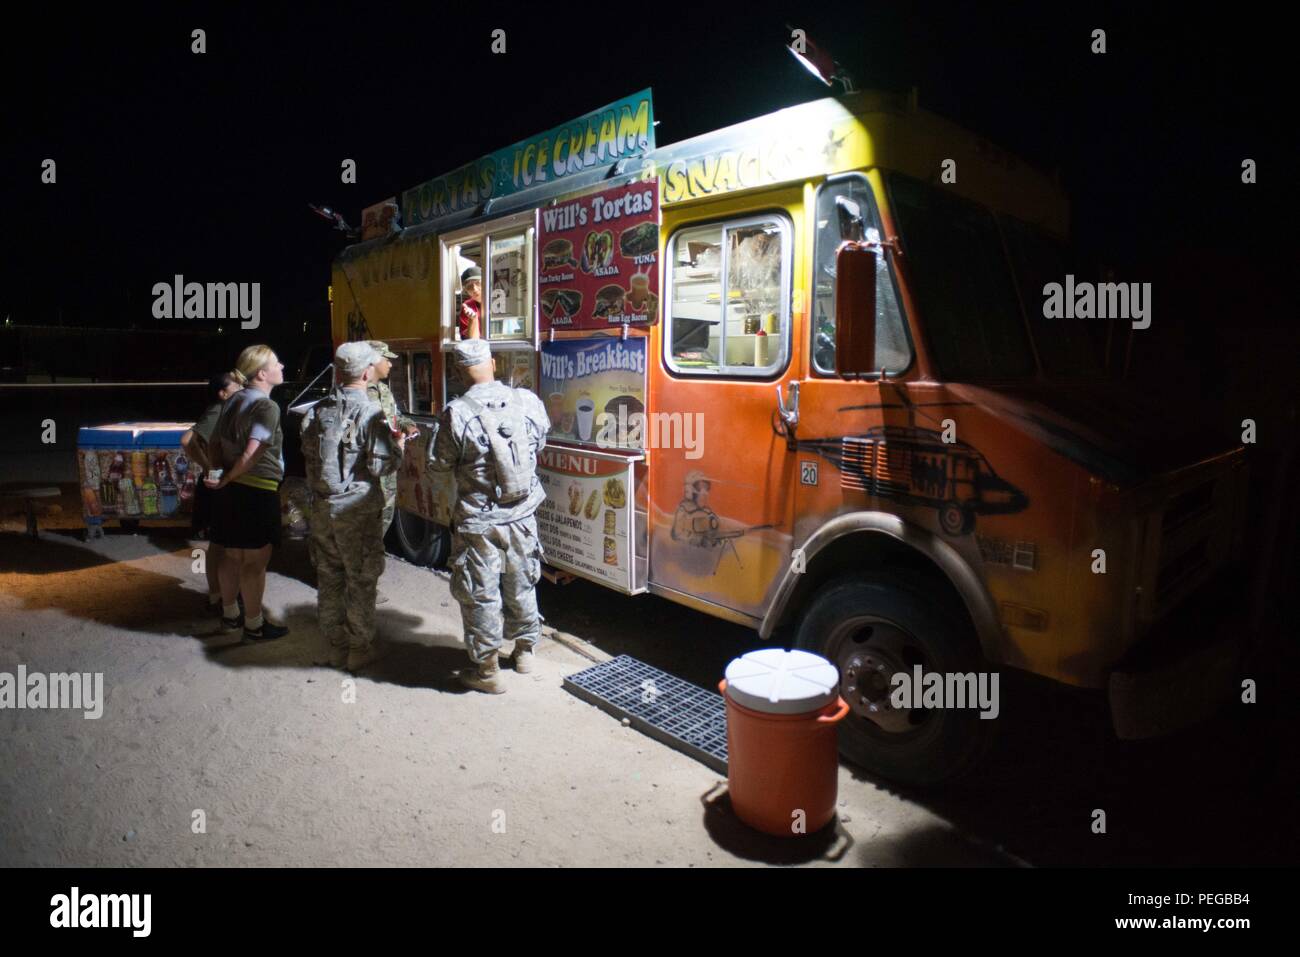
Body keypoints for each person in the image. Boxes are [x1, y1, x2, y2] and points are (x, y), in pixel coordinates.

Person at [428, 338, 549, 693]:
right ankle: (525, 652)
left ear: (458, 371)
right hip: (523, 515)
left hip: (478, 521)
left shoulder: (457, 412)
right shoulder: (527, 401)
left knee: (480, 590)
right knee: (522, 581)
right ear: (493, 363)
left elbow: (438, 465)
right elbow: (539, 442)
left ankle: (487, 671)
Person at [300, 342, 406, 671]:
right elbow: (380, 466)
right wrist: (399, 446)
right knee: (360, 579)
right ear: (364, 373)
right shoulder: (372, 414)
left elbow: (309, 454)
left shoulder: (317, 411)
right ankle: (359, 649)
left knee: (330, 577)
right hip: (356, 512)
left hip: (322, 509)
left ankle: (334, 646)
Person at [205, 345, 290, 642]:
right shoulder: (267, 407)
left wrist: (218, 474)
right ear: (263, 373)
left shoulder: (234, 399)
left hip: (230, 493)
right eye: (276, 363)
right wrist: (228, 476)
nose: (282, 366)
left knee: (230, 556)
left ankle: (231, 616)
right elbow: (254, 453)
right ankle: (254, 626)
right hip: (256, 491)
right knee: (254, 563)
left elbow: (213, 443)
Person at [180, 370, 243, 615]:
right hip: (218, 485)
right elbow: (187, 440)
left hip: (218, 483)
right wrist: (210, 467)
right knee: (223, 544)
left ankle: (217, 596)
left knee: (218, 543)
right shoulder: (219, 410)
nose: (240, 387)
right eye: (235, 384)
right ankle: (220, 596)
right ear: (223, 392)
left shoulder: (227, 410)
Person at [366, 340, 420, 538]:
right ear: (372, 362)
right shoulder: (358, 393)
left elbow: (394, 417)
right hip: (368, 472)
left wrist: (407, 425)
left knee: (384, 518)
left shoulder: (384, 390)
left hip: (387, 470)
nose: (390, 364)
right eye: (387, 359)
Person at [458, 266, 482, 340]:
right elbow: (469, 342)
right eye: (469, 286)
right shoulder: (468, 306)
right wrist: (473, 320)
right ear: (466, 291)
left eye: (478, 283)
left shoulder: (498, 300)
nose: (474, 289)